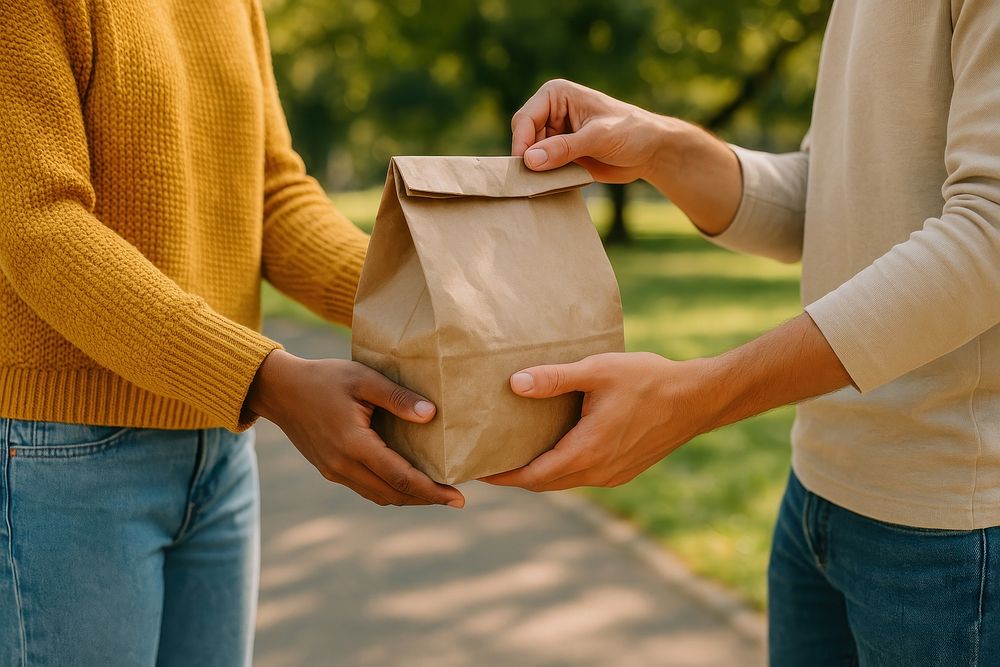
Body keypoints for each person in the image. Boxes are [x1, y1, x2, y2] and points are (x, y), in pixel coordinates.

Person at [484, 1, 1000, 664]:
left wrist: (699, 395)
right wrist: (661, 146)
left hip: (951, 541)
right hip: (817, 495)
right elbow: (828, 199)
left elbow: (988, 240)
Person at [0, 2, 463, 665]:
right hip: (66, 460)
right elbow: (39, 228)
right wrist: (261, 380)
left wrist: (422, 299)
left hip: (219, 452)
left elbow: (273, 194)